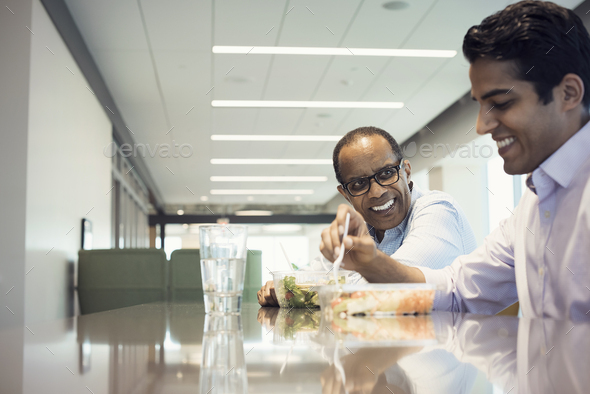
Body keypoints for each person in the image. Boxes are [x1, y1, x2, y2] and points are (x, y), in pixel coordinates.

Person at [325, 1, 590, 320]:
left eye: (501, 103)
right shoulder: (536, 202)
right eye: (480, 105)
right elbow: (457, 290)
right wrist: (370, 262)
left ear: (569, 94)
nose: (482, 126)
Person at [258, 126, 477, 306]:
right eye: (359, 184)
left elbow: (390, 293)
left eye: (386, 173)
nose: (377, 192)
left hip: (446, 351)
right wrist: (281, 286)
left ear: (406, 171)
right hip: (387, 348)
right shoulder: (362, 229)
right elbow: (315, 275)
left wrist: (307, 291)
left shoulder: (438, 210)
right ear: (345, 194)